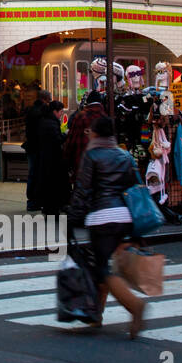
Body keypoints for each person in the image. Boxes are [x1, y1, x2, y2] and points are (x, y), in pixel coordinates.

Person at [67, 116, 146, 336]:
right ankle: (96, 315)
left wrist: (72, 217)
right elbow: (135, 186)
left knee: (102, 269)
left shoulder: (91, 155)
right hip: (123, 217)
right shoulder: (124, 155)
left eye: (90, 131)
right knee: (100, 264)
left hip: (101, 217)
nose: (88, 134)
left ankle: (134, 305)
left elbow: (82, 190)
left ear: (96, 134)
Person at [34, 101, 69, 217]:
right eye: (60, 112)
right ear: (55, 111)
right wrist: (66, 135)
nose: (61, 114)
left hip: (46, 158)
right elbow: (57, 139)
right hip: (52, 159)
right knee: (53, 186)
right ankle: (52, 210)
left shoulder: (45, 121)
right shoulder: (51, 123)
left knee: (48, 185)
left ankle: (48, 208)